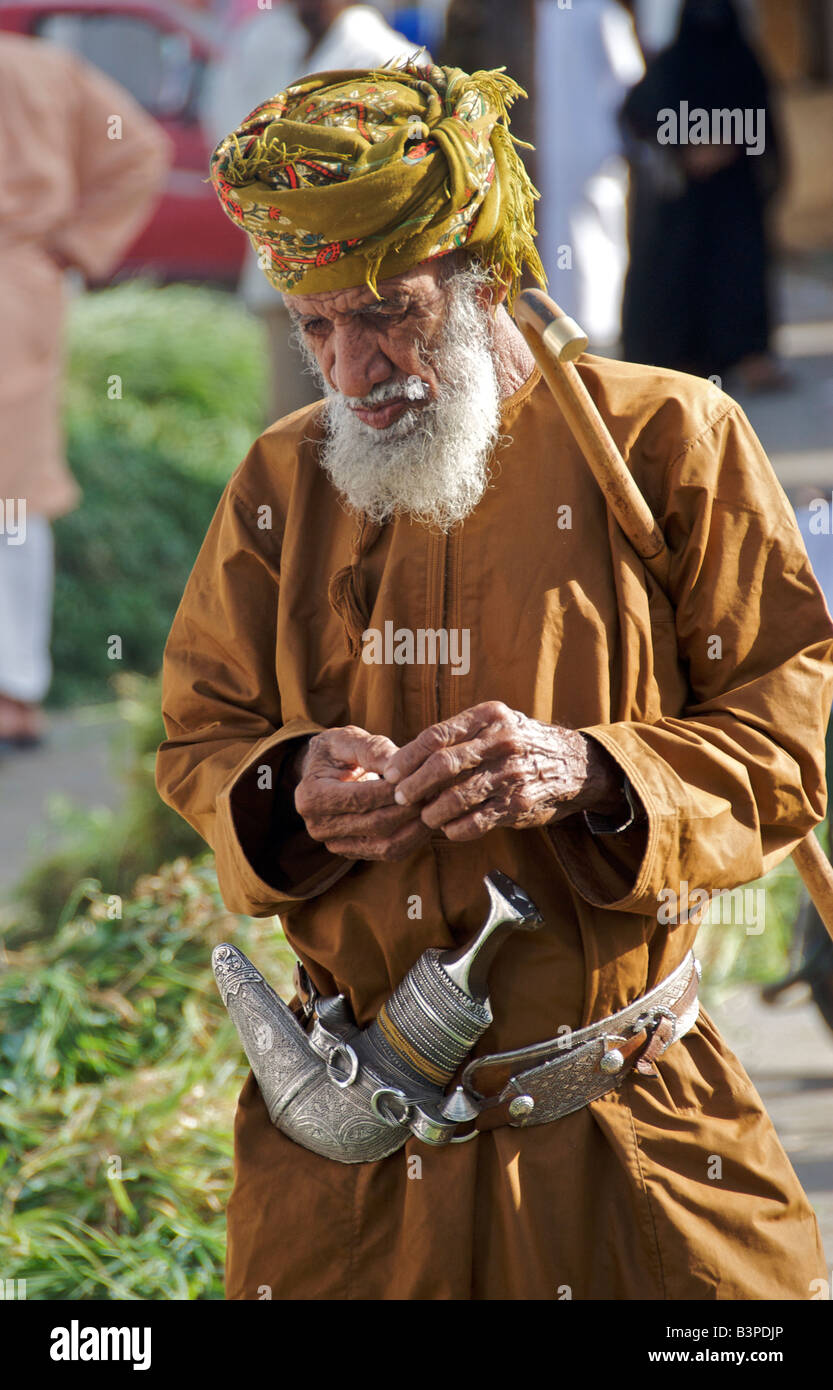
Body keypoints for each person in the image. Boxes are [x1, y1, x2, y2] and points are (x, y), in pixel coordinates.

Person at [156, 61, 833, 1299]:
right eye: (317, 327)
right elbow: (200, 734)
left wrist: (592, 770)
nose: (354, 368)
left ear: (482, 276)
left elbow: (784, 745)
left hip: (627, 1154)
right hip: (352, 1176)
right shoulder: (280, 481)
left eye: (387, 312)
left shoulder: (668, 442)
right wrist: (282, 787)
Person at [0, 33, 171, 748]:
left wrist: (71, 243)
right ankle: (16, 689)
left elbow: (139, 150)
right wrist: (70, 244)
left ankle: (14, 689)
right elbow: (140, 148)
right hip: (22, 282)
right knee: (13, 494)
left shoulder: (38, 69)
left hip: (17, 280)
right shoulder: (42, 67)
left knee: (14, 490)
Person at [202, 1, 416, 424]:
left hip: (364, 291)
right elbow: (227, 145)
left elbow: (394, 180)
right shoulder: (262, 40)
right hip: (281, 281)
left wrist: (288, 183)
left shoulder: (390, 56)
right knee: (295, 432)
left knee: (367, 416)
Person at [620, 0, 786, 389]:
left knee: (738, 275)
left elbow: (765, 123)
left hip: (735, 201)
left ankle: (747, 357)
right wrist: (685, 148)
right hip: (684, 203)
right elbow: (638, 113)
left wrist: (732, 144)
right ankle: (681, 363)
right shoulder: (674, 64)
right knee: (676, 276)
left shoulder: (742, 61)